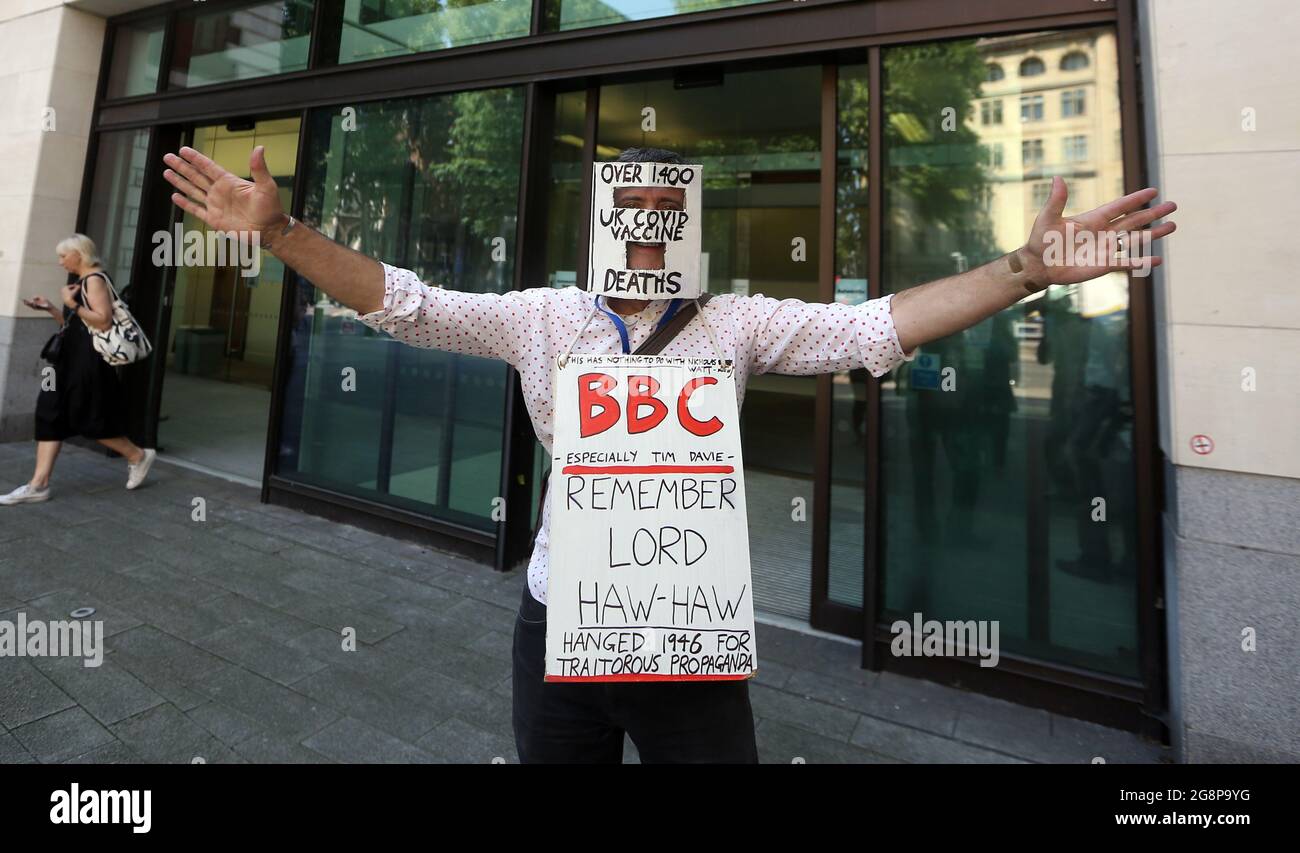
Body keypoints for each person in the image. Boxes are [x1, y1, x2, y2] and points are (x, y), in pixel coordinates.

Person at [160, 143, 1175, 763]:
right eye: (628, 219)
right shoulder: (542, 317)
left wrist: (1021, 269)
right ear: (603, 230)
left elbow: (875, 332)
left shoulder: (733, 322)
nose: (647, 236)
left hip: (688, 639)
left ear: (689, 233)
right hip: (560, 626)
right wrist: (285, 232)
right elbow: (411, 304)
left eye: (665, 220)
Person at [1, 235, 156, 506]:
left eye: (64, 256)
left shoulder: (94, 280)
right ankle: (38, 485)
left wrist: (72, 304)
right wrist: (51, 308)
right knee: (49, 412)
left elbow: (104, 321)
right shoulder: (80, 283)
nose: (60, 261)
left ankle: (137, 455)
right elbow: (77, 326)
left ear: (79, 254)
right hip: (67, 362)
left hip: (87, 364)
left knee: (88, 418)